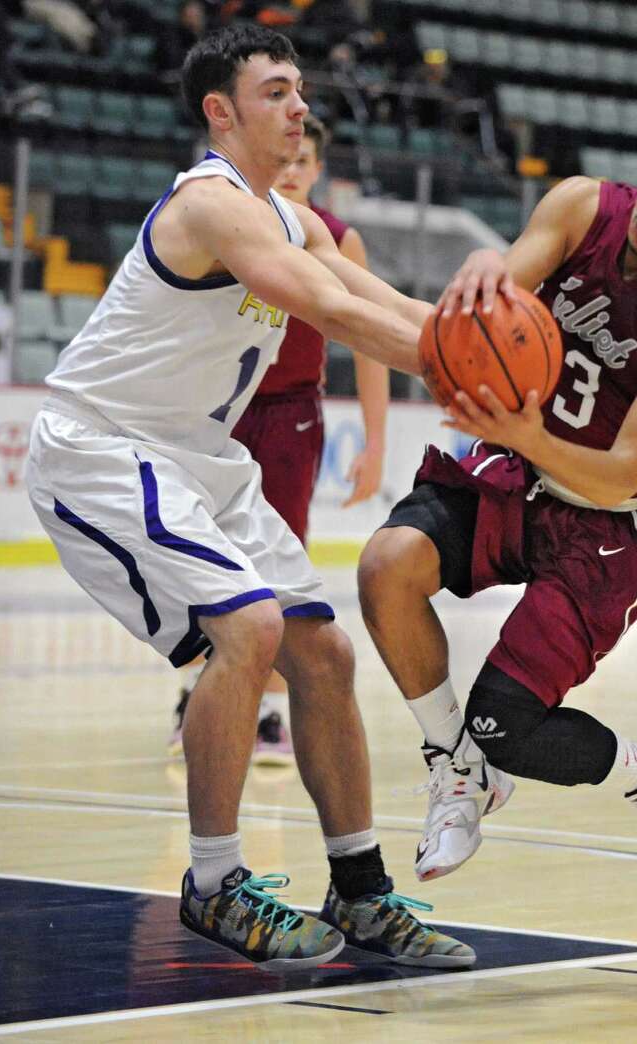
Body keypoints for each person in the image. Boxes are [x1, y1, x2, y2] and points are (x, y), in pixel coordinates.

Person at [23, 23, 472, 971]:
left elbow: (387, 305)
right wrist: (465, 373)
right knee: (250, 630)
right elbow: (338, 315)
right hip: (102, 444)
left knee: (324, 652)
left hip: (194, 454)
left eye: (301, 89)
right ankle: (216, 883)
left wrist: (511, 355)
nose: (300, 105)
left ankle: (360, 890)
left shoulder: (292, 216)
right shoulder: (215, 204)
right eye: (275, 91)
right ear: (219, 112)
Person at [357, 99, 637, 914]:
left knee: (507, 727)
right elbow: (493, 296)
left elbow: (622, 473)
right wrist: (480, 280)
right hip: (517, 465)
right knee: (386, 564)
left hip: (609, 524)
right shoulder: (583, 203)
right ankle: (455, 771)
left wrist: (527, 428)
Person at [168, 113, 390, 767]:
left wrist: (375, 442)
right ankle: (195, 692)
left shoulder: (336, 240)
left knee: (274, 568)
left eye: (303, 164)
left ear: (318, 171)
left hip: (290, 411)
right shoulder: (224, 220)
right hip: (214, 408)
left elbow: (370, 343)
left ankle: (266, 713)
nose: (291, 171)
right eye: (284, 161)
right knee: (195, 555)